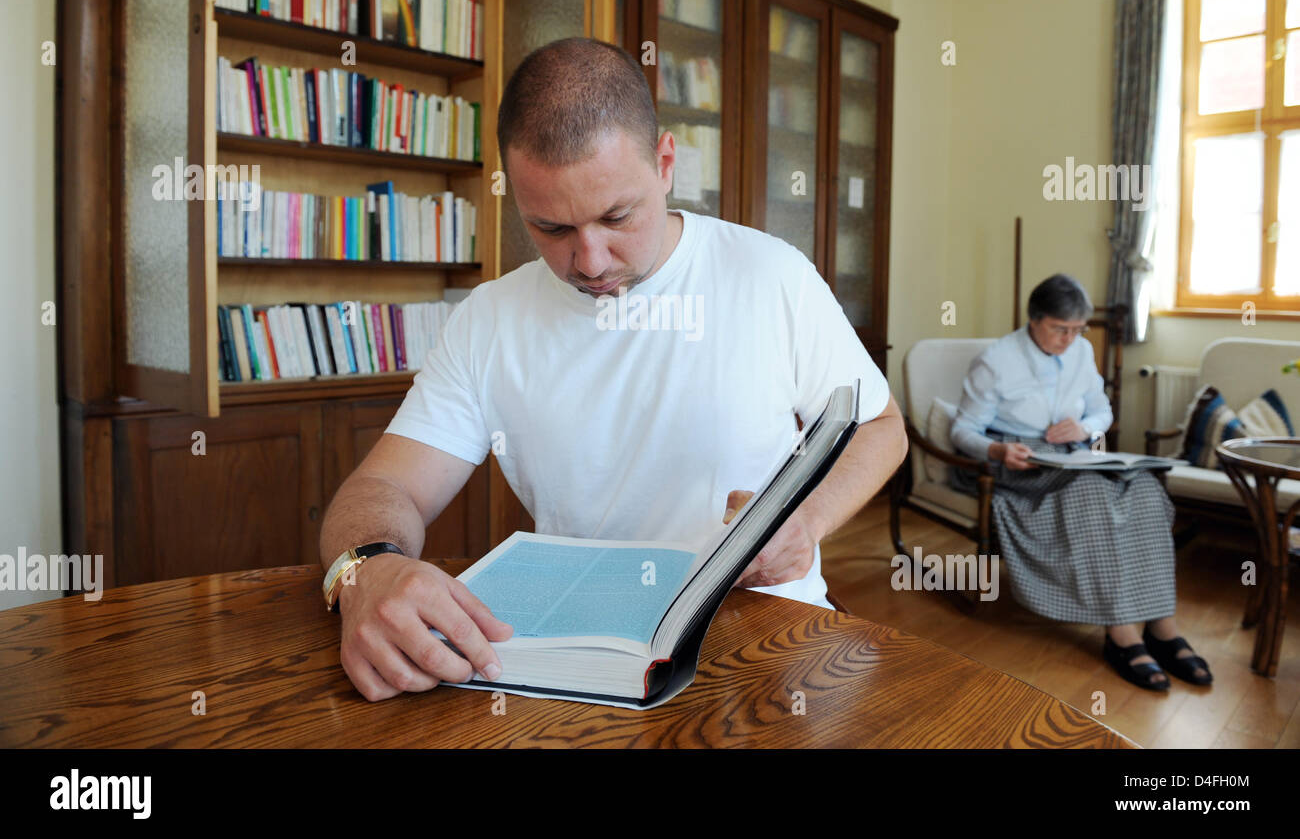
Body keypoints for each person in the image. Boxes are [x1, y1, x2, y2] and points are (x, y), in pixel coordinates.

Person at [318, 37, 908, 701]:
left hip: (772, 634)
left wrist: (810, 521)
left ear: (664, 164)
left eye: (616, 215)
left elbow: (881, 425)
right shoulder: (489, 319)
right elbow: (383, 488)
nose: (590, 260)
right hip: (581, 660)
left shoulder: (770, 277)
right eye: (551, 228)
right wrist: (367, 568)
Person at [949, 274, 1212, 692]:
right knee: (1090, 492)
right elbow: (962, 430)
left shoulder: (1082, 352)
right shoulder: (996, 360)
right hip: (1016, 461)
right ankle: (1121, 634)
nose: (1069, 340)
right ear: (1034, 320)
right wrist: (997, 452)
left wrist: (1084, 426)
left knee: (1145, 486)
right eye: (1060, 329)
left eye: (1077, 330)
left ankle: (1163, 626)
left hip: (1072, 454)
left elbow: (1101, 411)